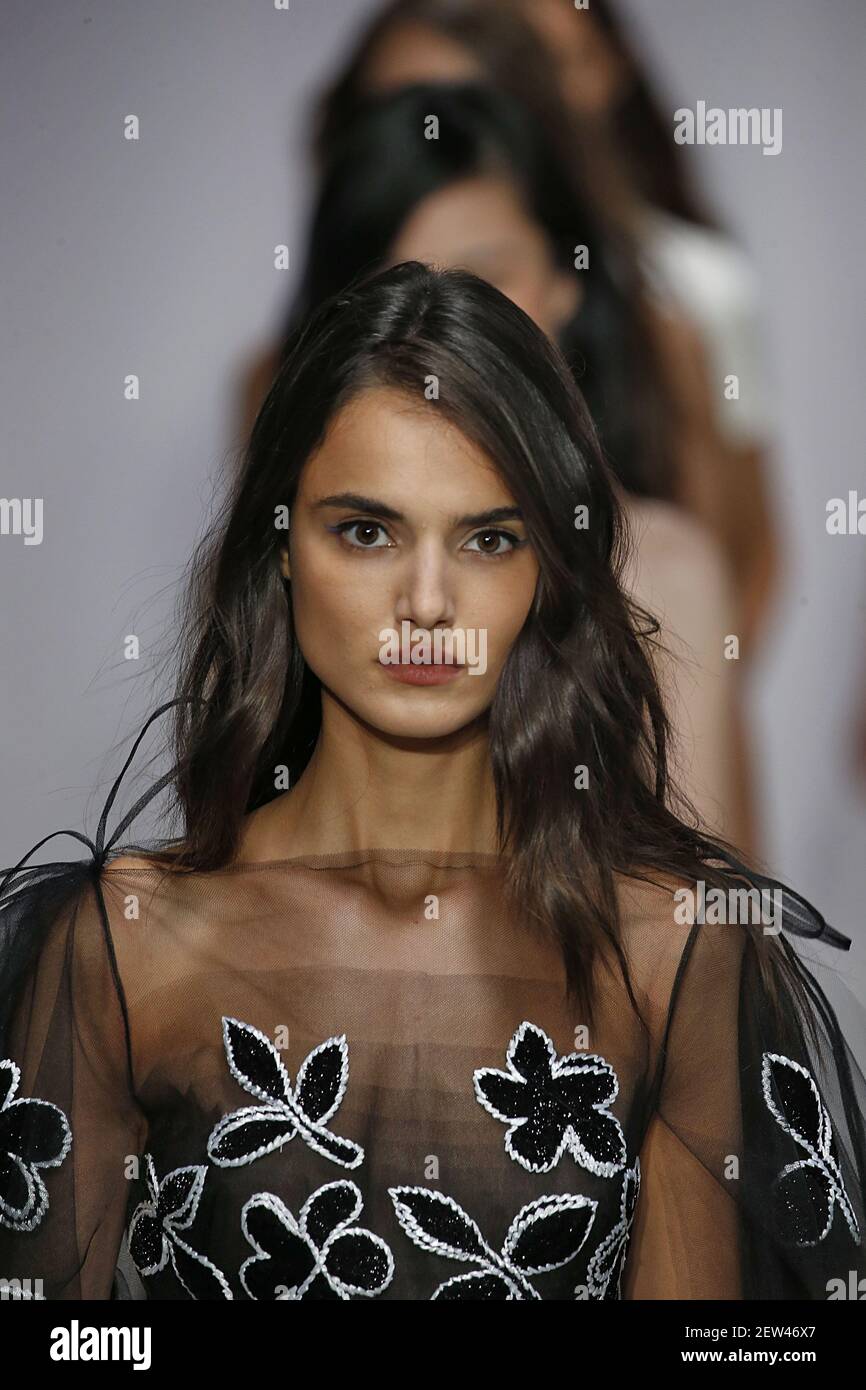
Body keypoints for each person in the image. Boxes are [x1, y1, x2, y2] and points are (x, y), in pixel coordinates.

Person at [0, 263, 863, 1300]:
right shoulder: (124, 949)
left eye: (487, 538)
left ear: (545, 564)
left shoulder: (672, 950)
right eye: (365, 531)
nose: (425, 600)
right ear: (279, 545)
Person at [252, 80, 754, 850]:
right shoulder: (283, 559)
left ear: (568, 281)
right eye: (364, 532)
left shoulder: (667, 567)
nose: (446, 324)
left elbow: (710, 901)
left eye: (491, 541)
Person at [309, 0, 779, 653]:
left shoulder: (674, 325)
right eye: (394, 110)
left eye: (466, 104)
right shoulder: (289, 372)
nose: (429, 138)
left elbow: (747, 566)